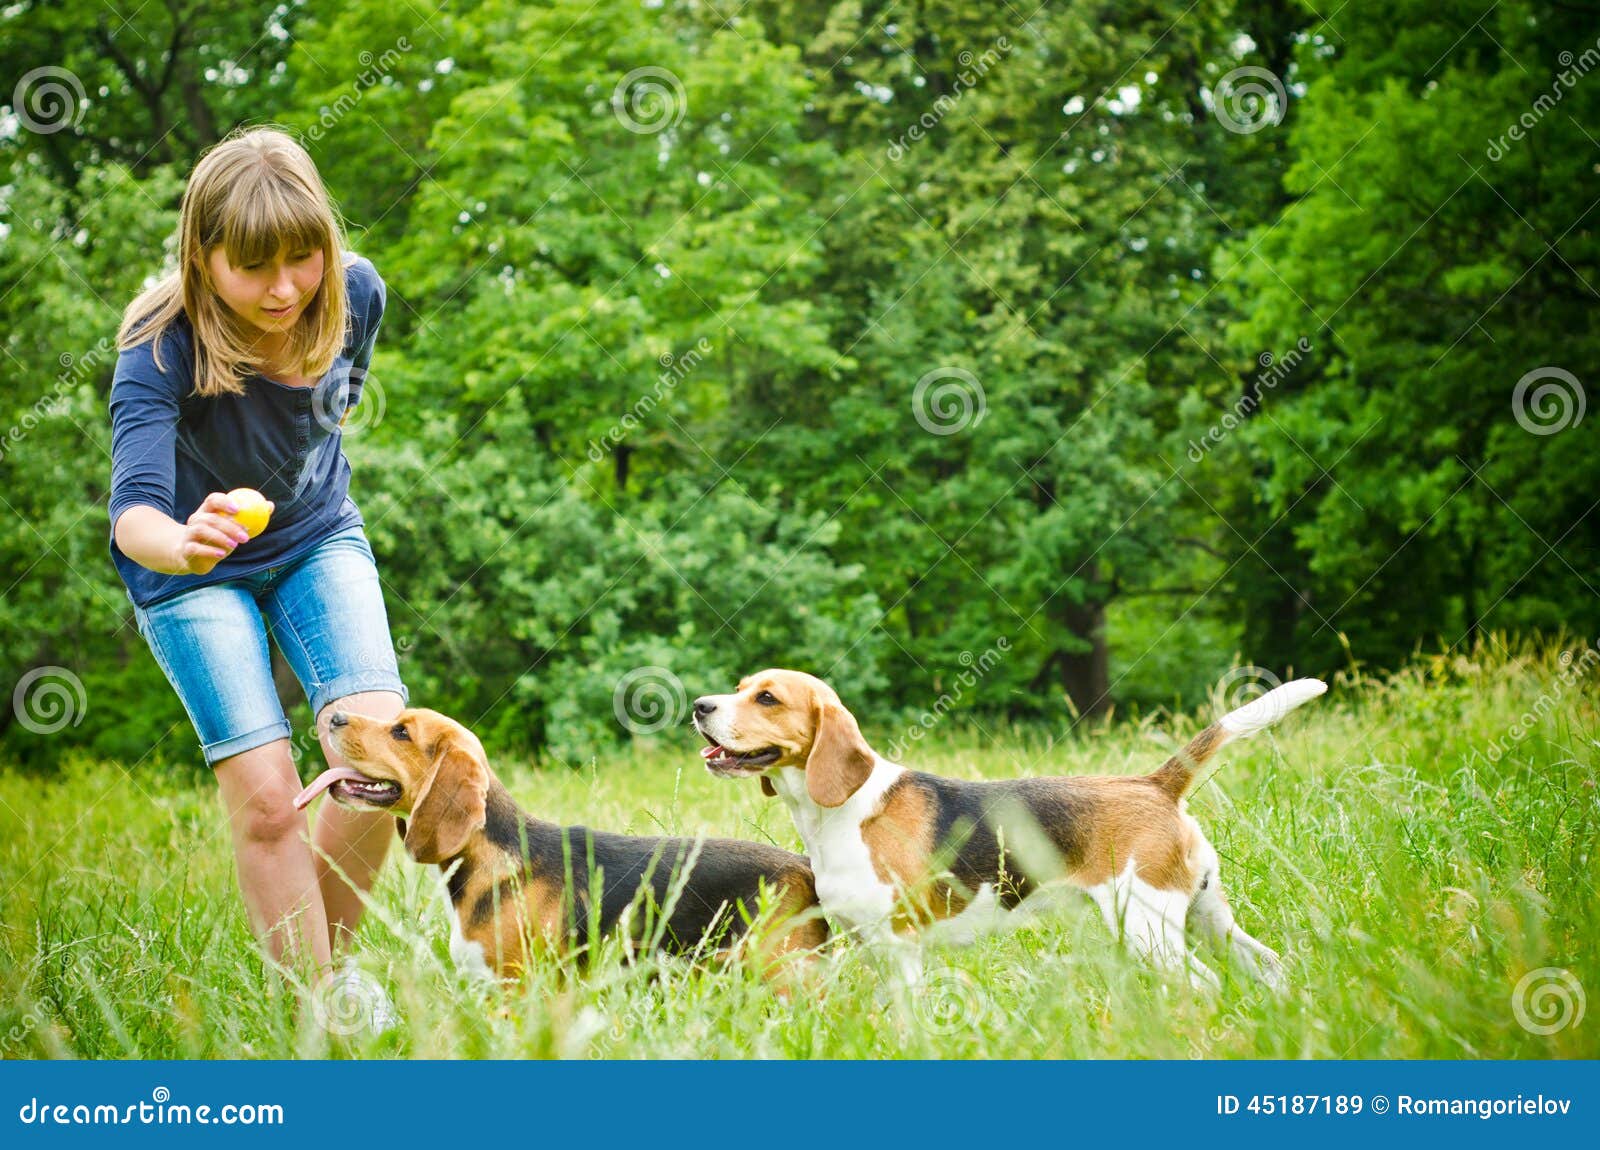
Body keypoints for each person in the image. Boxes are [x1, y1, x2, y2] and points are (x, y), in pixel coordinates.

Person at [107, 124, 405, 1005]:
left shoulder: (356, 294)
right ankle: (307, 1016)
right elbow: (132, 515)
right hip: (191, 568)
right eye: (253, 267)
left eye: (302, 259)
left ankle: (327, 983)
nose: (284, 289)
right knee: (272, 799)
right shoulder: (158, 347)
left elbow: (334, 406)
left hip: (316, 537)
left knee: (379, 764)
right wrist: (184, 540)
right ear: (203, 258)